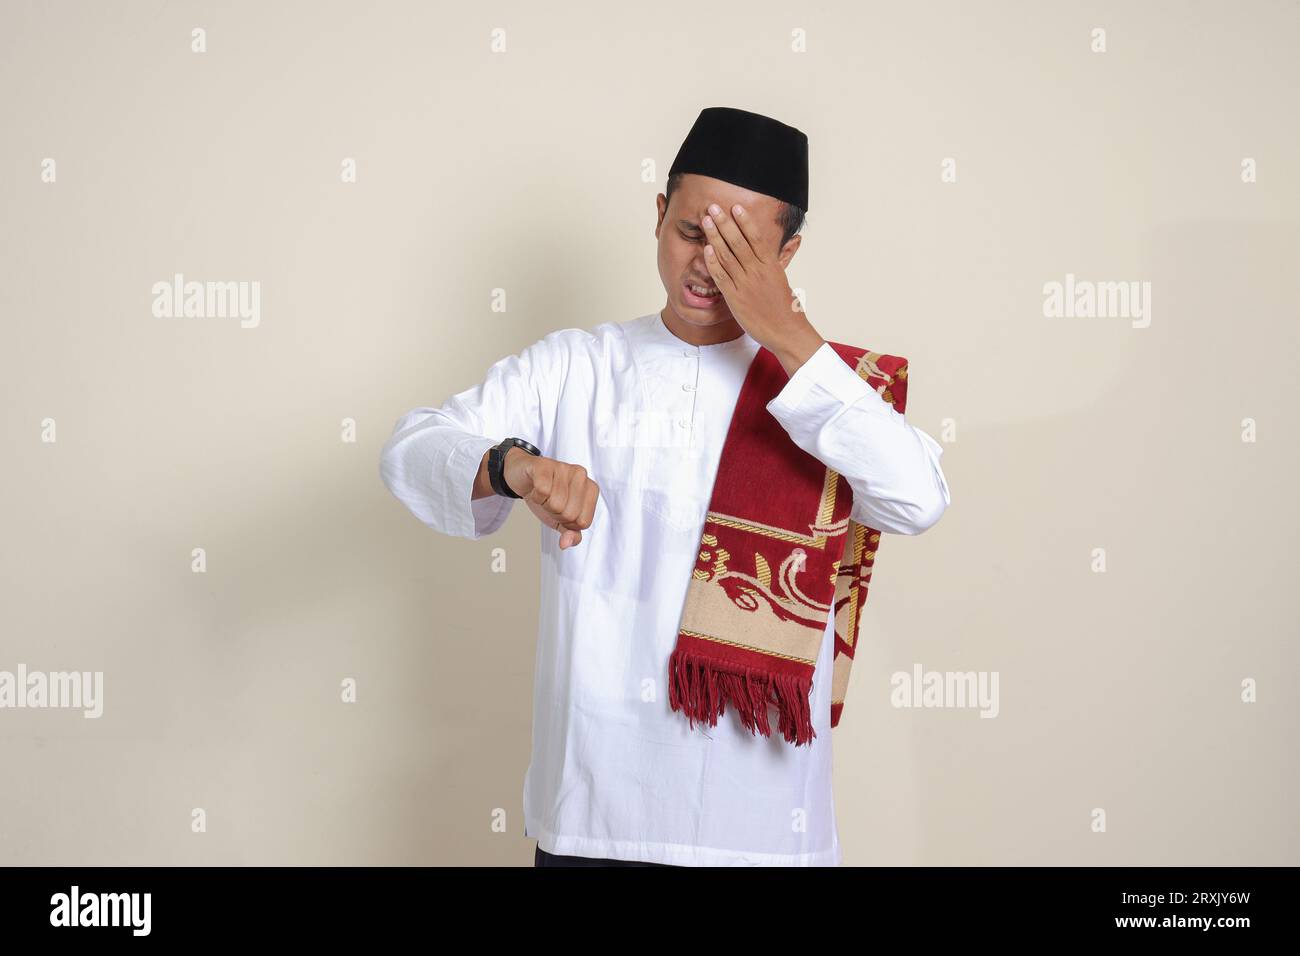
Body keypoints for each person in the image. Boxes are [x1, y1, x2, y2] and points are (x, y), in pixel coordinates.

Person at [379, 107, 951, 867]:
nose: (709, 264)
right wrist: (512, 464)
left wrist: (789, 337)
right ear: (658, 218)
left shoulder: (823, 391)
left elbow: (918, 497)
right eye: (692, 231)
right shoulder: (575, 367)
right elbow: (411, 450)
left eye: (744, 248)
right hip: (590, 808)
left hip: (765, 829)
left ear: (790, 253)